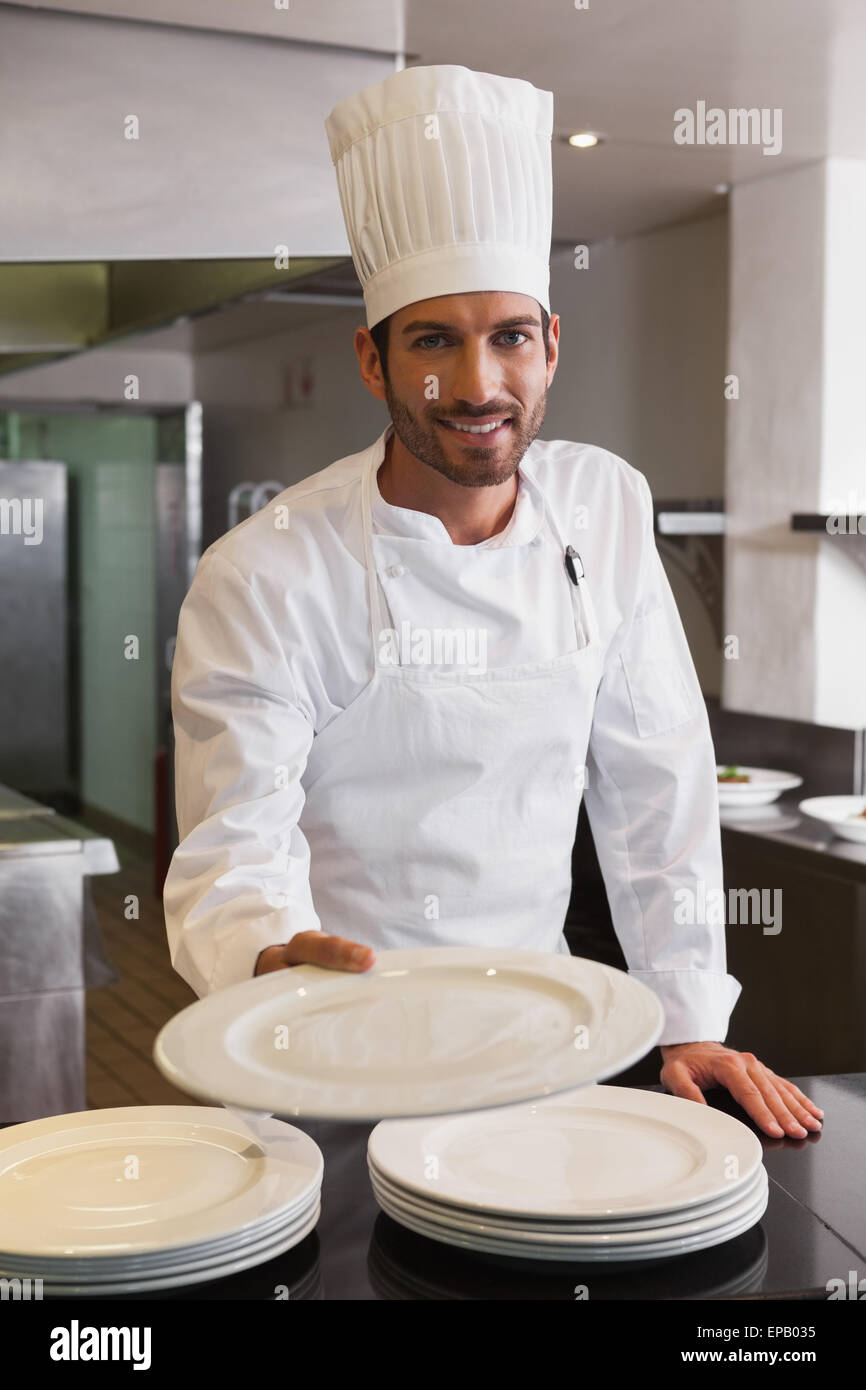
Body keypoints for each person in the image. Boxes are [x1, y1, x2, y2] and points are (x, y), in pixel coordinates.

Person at [164, 64, 821, 1141]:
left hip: (540, 1042)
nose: (477, 385)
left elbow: (655, 778)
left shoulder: (601, 505)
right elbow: (235, 843)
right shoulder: (262, 571)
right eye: (433, 340)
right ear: (372, 361)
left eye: (509, 335)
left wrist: (687, 1012)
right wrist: (265, 952)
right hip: (332, 1051)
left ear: (550, 347)